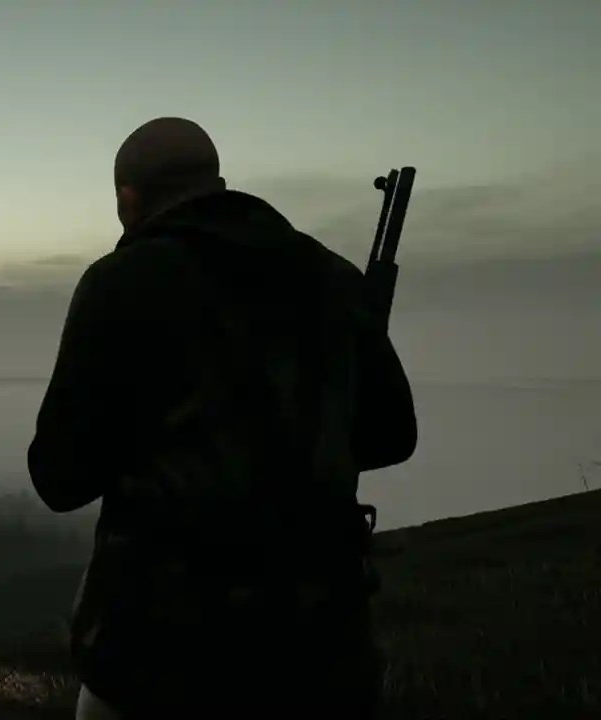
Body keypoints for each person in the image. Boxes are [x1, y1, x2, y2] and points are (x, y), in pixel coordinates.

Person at [28, 118, 417, 717]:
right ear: (219, 182)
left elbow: (59, 477)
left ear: (128, 198)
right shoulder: (330, 274)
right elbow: (392, 434)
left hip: (159, 656)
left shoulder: (119, 282)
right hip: (320, 646)